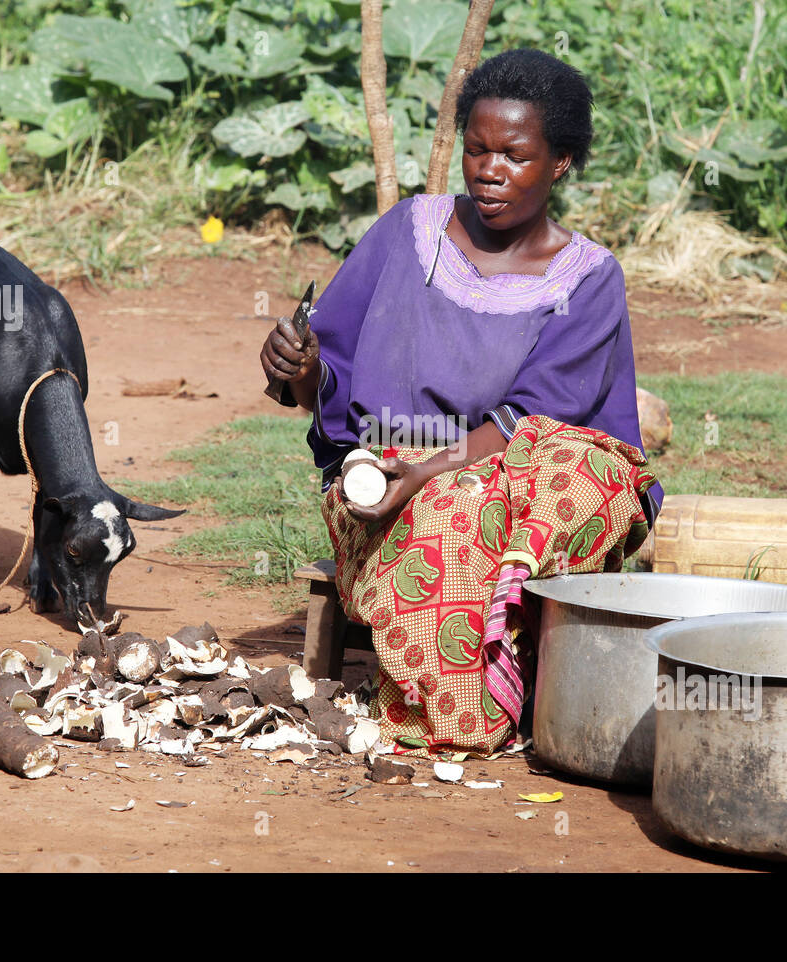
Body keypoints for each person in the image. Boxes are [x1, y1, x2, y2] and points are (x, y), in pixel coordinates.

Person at [261, 48, 663, 756]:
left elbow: (535, 420)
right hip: (388, 481)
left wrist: (439, 470)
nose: (488, 169)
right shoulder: (408, 233)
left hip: (523, 475)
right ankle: (472, 706)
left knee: (544, 481)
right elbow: (328, 379)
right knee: (452, 511)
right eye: (477, 150)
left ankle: (513, 653)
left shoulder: (589, 278)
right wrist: (300, 365)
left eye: (514, 154)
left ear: (561, 162)